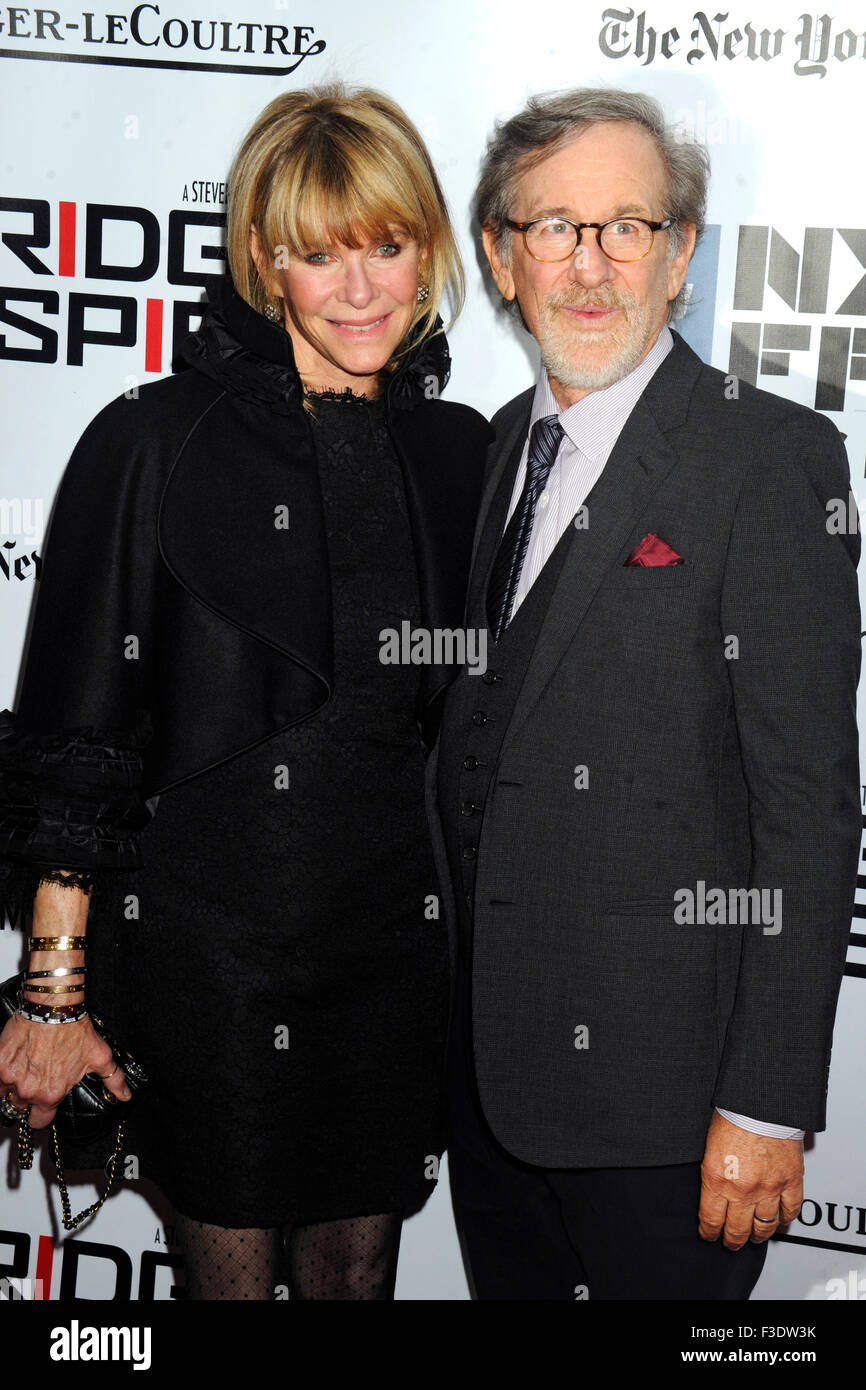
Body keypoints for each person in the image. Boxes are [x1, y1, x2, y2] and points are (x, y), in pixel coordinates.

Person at [0, 83, 490, 1300]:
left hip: (388, 952)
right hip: (207, 957)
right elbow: (78, 733)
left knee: (357, 1275)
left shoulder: (460, 451)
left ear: (426, 246)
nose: (363, 287)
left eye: (387, 245)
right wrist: (53, 994)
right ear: (265, 262)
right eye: (322, 254)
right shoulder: (152, 440)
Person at [430, 88, 861, 1300]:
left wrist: (765, 1104)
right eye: (551, 229)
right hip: (491, 1097)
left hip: (674, 1123)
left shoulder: (766, 456)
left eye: (626, 226)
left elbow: (806, 809)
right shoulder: (502, 445)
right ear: (502, 261)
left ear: (679, 257)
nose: (588, 265)